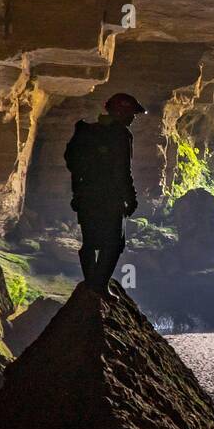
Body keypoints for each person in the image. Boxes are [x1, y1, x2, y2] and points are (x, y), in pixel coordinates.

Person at [65, 92, 146, 295]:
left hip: (86, 196)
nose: (133, 118)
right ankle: (98, 287)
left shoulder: (88, 132)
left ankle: (91, 284)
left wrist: (77, 194)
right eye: (131, 113)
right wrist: (131, 197)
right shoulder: (121, 135)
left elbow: (75, 167)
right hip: (110, 197)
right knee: (114, 244)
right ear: (120, 112)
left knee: (91, 242)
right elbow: (122, 170)